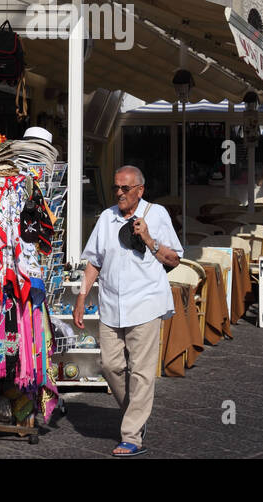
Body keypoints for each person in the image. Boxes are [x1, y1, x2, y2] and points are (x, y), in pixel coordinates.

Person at [75, 165, 182, 457]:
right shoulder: (106, 218)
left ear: (140, 190)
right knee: (110, 366)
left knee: (142, 372)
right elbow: (94, 261)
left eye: (125, 189)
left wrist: (149, 239)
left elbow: (173, 260)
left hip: (146, 303)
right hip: (111, 304)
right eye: (116, 188)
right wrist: (82, 296)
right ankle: (135, 413)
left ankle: (132, 434)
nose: (119, 194)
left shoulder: (157, 214)